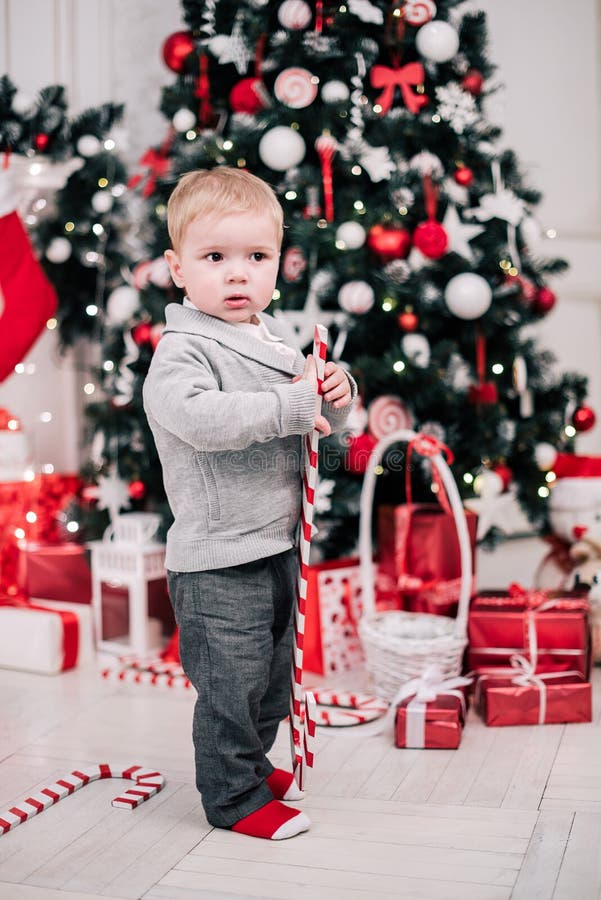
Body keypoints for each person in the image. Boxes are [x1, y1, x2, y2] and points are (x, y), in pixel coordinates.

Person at [143, 167, 356, 840]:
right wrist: (292, 402)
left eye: (255, 257)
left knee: (270, 679)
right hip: (218, 558)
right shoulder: (182, 351)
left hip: (275, 543)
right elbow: (204, 420)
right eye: (215, 258)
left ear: (276, 265)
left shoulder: (271, 342)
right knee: (229, 685)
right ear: (178, 269)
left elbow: (313, 429)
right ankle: (231, 795)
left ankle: (251, 765)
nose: (238, 275)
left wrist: (332, 389)